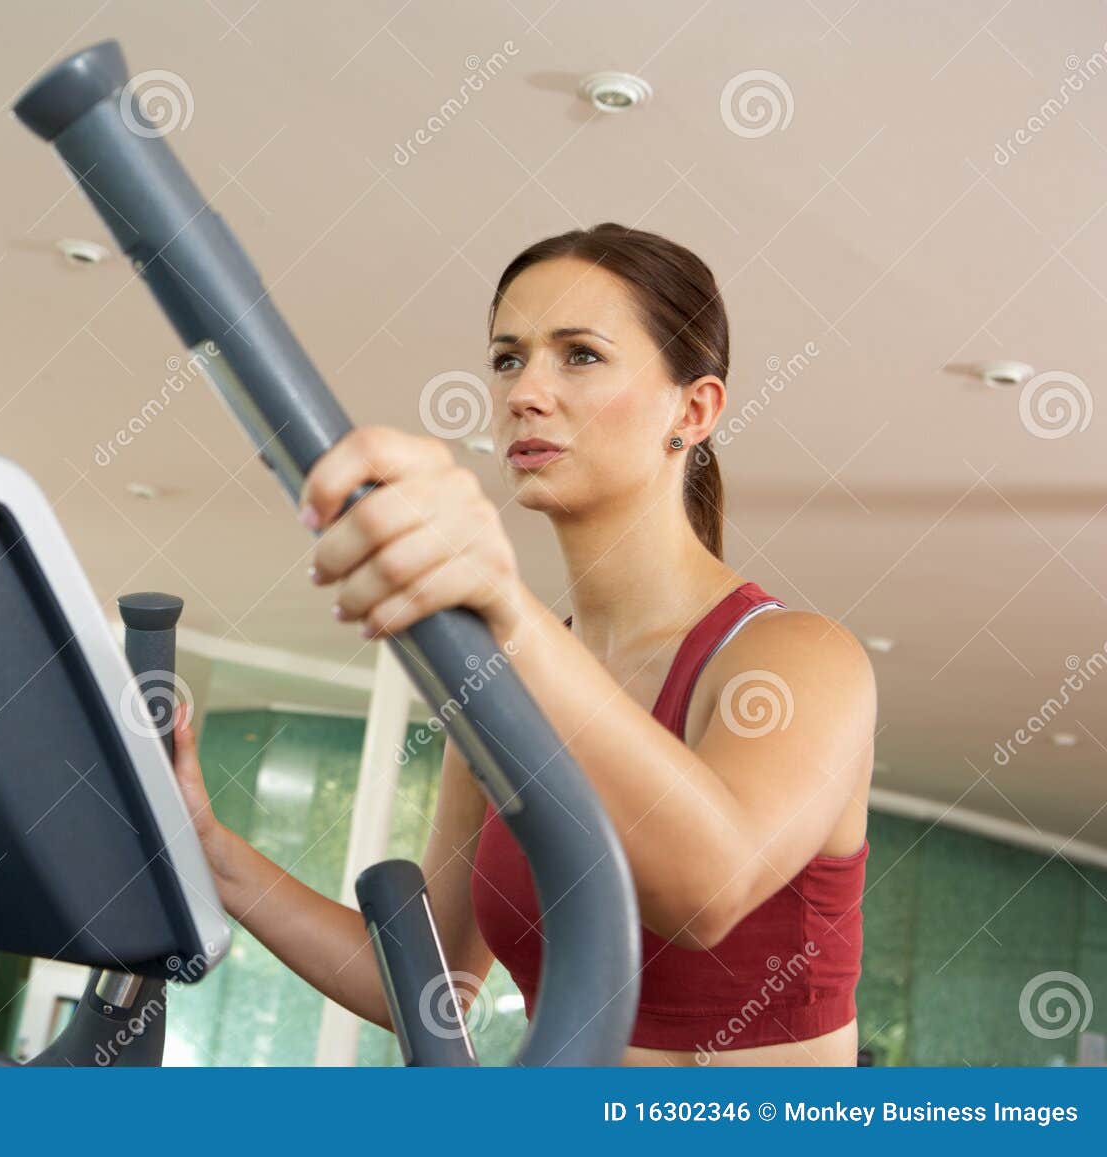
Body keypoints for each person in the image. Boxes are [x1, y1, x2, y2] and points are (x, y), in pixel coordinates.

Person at [170, 223, 876, 1066]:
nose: (524, 392)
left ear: (693, 409)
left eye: (578, 355)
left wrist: (502, 606)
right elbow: (427, 983)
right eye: (509, 358)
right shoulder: (502, 684)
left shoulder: (798, 659)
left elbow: (708, 888)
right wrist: (212, 852)